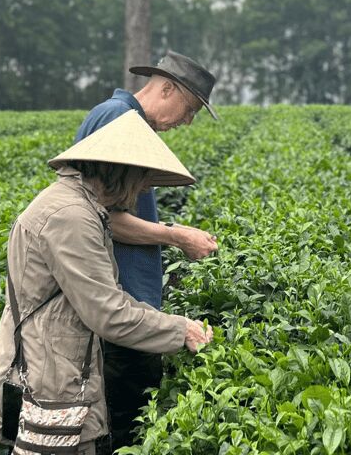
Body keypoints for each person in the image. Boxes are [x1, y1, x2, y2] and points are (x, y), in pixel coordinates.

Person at [0, 110, 214, 454]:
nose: (144, 189)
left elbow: (106, 295)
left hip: (57, 368)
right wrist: (180, 330)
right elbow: (108, 313)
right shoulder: (71, 217)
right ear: (121, 172)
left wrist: (170, 324)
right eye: (142, 179)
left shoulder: (80, 208)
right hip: (50, 378)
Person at [75, 50, 219, 450]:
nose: (187, 122)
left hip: (132, 309)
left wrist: (173, 231)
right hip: (120, 309)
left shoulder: (128, 120)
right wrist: (175, 236)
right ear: (167, 88)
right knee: (126, 428)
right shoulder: (118, 118)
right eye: (189, 110)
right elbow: (101, 216)